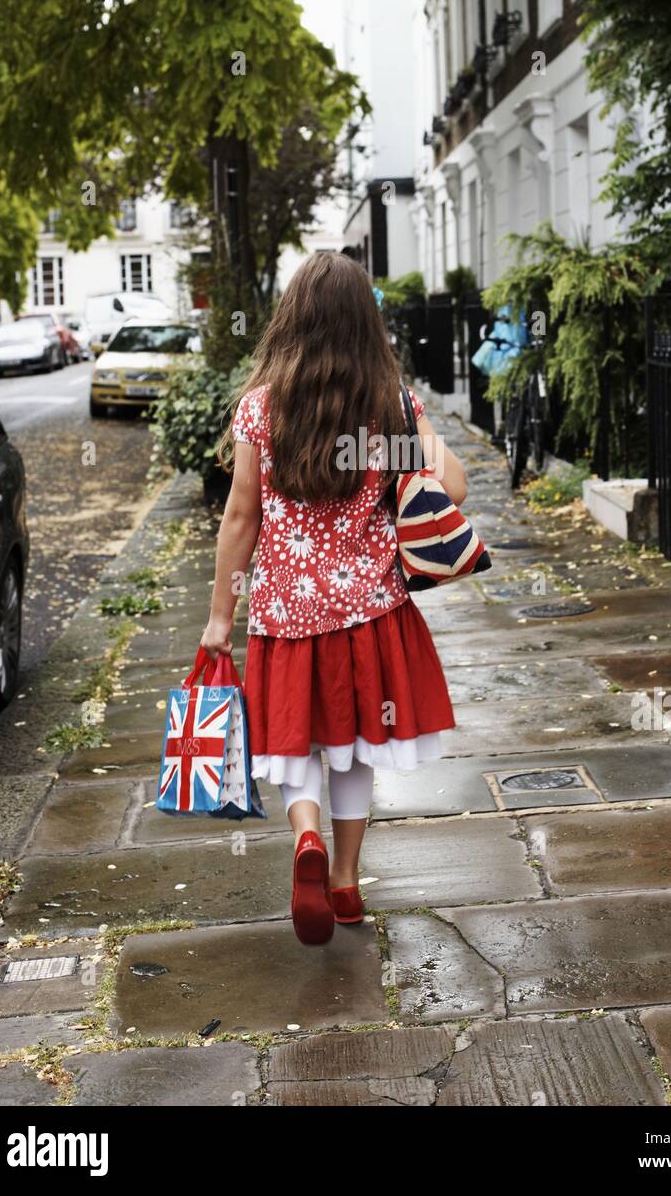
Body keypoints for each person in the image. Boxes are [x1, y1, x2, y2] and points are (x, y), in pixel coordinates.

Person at [201, 252, 466, 946]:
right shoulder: (389, 406)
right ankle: (346, 881)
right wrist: (412, 430)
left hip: (287, 617)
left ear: (293, 319)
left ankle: (306, 838)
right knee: (353, 752)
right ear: (365, 324)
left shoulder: (260, 408)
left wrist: (219, 619)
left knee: (296, 749)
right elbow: (455, 490)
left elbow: (240, 516)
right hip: (370, 614)